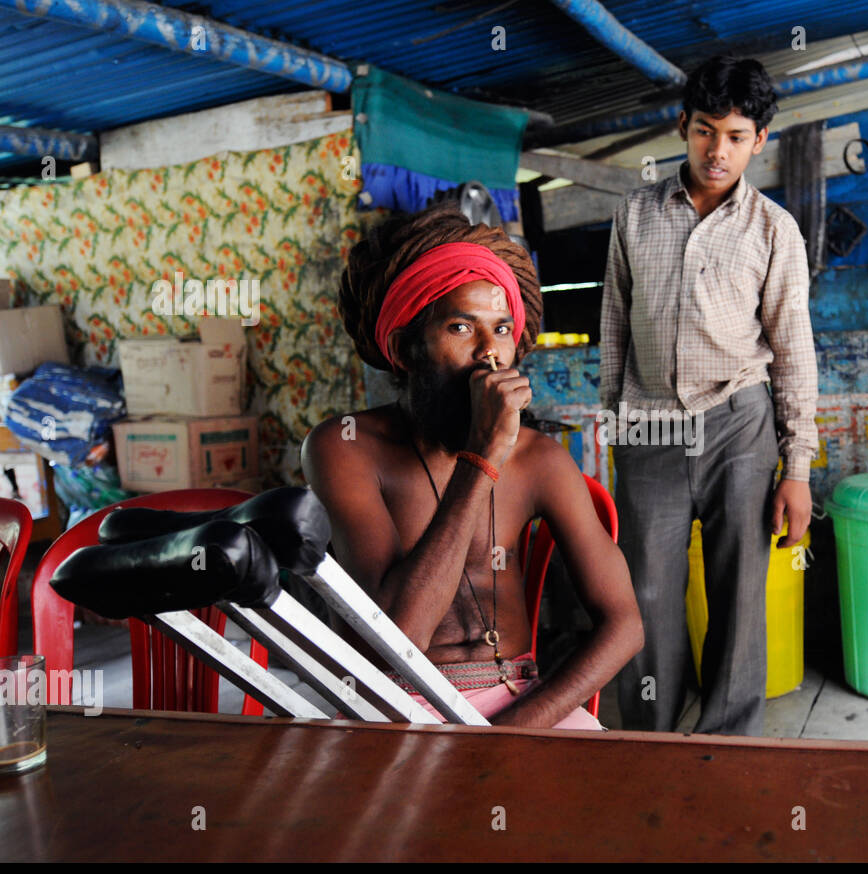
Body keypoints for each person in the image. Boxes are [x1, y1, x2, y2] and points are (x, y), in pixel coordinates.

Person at [303, 204, 643, 729]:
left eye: (502, 329)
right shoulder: (343, 448)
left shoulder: (539, 459)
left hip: (519, 703)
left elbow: (623, 624)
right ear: (404, 349)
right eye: (461, 327)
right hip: (391, 708)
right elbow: (396, 643)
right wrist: (481, 460)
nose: (491, 354)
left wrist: (513, 733)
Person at [600, 54, 818, 735]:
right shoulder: (634, 216)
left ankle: (728, 745)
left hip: (739, 426)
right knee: (648, 596)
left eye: (733, 135)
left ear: (758, 140)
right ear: (682, 126)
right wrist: (617, 425)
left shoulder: (774, 230)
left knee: (739, 594)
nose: (716, 150)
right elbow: (612, 326)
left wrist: (799, 469)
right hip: (650, 430)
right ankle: (648, 743)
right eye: (703, 131)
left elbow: (793, 351)